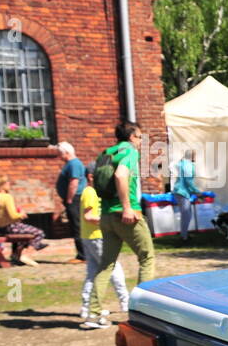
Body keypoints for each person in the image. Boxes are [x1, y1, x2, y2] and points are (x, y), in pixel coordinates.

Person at [86, 122, 155, 330]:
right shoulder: (130, 152)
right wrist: (126, 207)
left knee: (106, 264)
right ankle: (143, 312)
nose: (142, 141)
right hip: (126, 214)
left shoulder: (106, 153)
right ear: (132, 137)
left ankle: (93, 313)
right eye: (140, 137)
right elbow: (120, 175)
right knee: (147, 258)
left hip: (106, 216)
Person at [77, 174, 130, 321]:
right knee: (113, 267)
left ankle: (86, 307)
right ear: (91, 176)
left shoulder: (95, 192)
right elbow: (88, 216)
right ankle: (125, 302)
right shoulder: (90, 192)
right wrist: (109, 221)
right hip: (96, 236)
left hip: (91, 236)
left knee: (93, 272)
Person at [0, 177, 47, 266]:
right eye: (7, 182)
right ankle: (26, 255)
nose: (9, 183)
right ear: (1, 186)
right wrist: (21, 214)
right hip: (11, 227)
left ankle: (15, 255)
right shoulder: (6, 197)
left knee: (21, 236)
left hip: (0, 229)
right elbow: (13, 215)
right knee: (39, 233)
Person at [56, 141, 87, 262]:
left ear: (66, 152)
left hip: (75, 199)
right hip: (74, 198)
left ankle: (82, 255)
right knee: (76, 225)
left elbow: (74, 182)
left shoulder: (73, 164)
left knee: (77, 226)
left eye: (60, 154)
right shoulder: (72, 164)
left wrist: (69, 199)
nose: (59, 157)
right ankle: (82, 254)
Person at [172, 148, 199, 241]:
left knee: (186, 215)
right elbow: (188, 181)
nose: (195, 157)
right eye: (195, 155)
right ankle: (184, 237)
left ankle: (184, 234)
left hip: (179, 192)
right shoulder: (188, 165)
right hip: (182, 192)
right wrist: (197, 192)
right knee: (186, 215)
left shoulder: (182, 163)